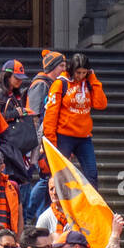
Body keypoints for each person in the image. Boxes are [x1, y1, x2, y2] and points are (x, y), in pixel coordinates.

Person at [42, 53, 106, 185]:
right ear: (72, 70)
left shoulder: (88, 82)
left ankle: (91, 206)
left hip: (84, 137)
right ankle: (56, 204)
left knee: (92, 176)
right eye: (78, 72)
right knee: (59, 176)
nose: (80, 76)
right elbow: (51, 114)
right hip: (64, 137)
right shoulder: (60, 83)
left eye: (84, 72)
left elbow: (101, 104)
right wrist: (51, 141)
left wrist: (93, 79)